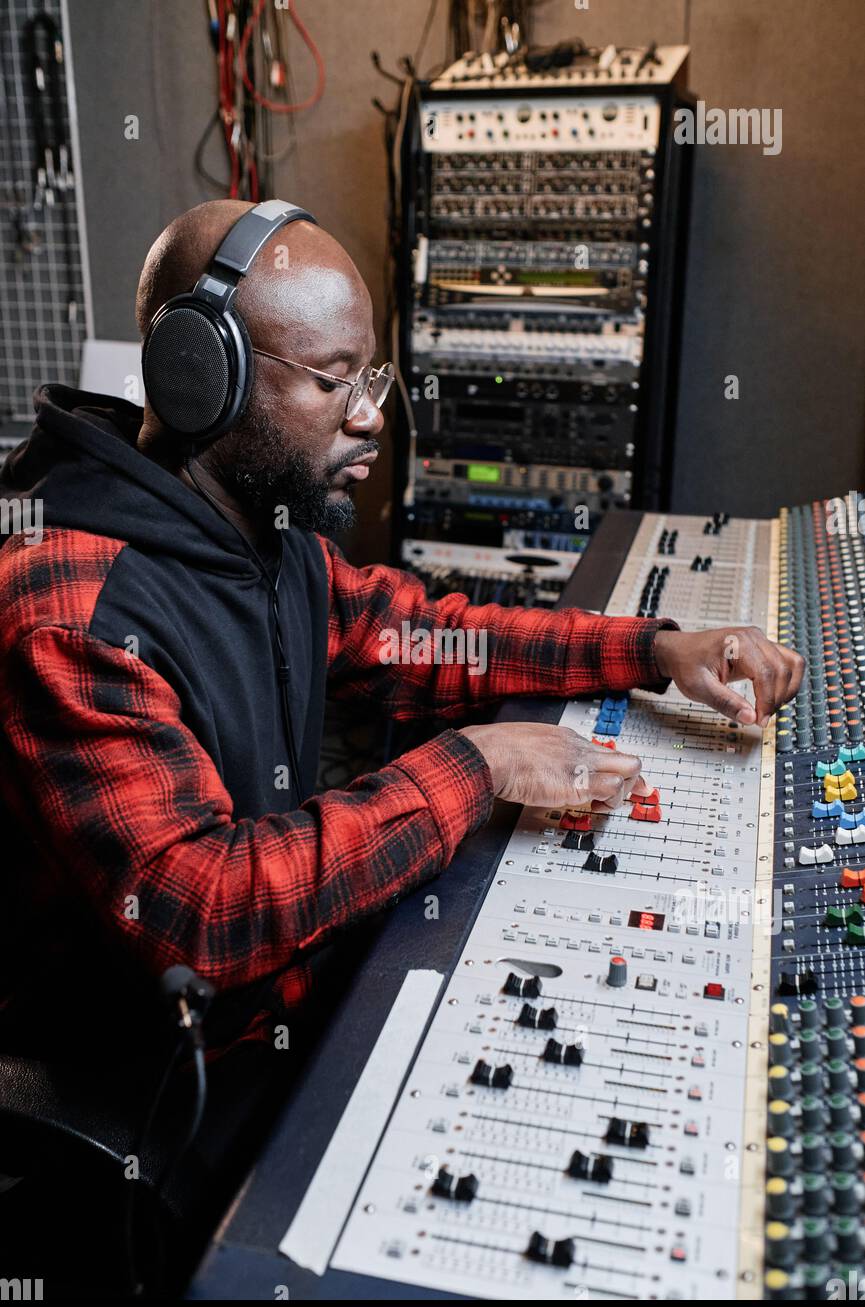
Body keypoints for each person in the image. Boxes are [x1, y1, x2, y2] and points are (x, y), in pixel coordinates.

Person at [0, 199, 803, 1073]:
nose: (371, 415)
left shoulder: (257, 530)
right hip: (172, 1072)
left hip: (290, 981)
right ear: (202, 374)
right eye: (332, 379)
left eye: (370, 378)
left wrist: (651, 651)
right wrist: (477, 764)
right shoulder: (69, 611)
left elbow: (419, 637)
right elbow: (199, 911)